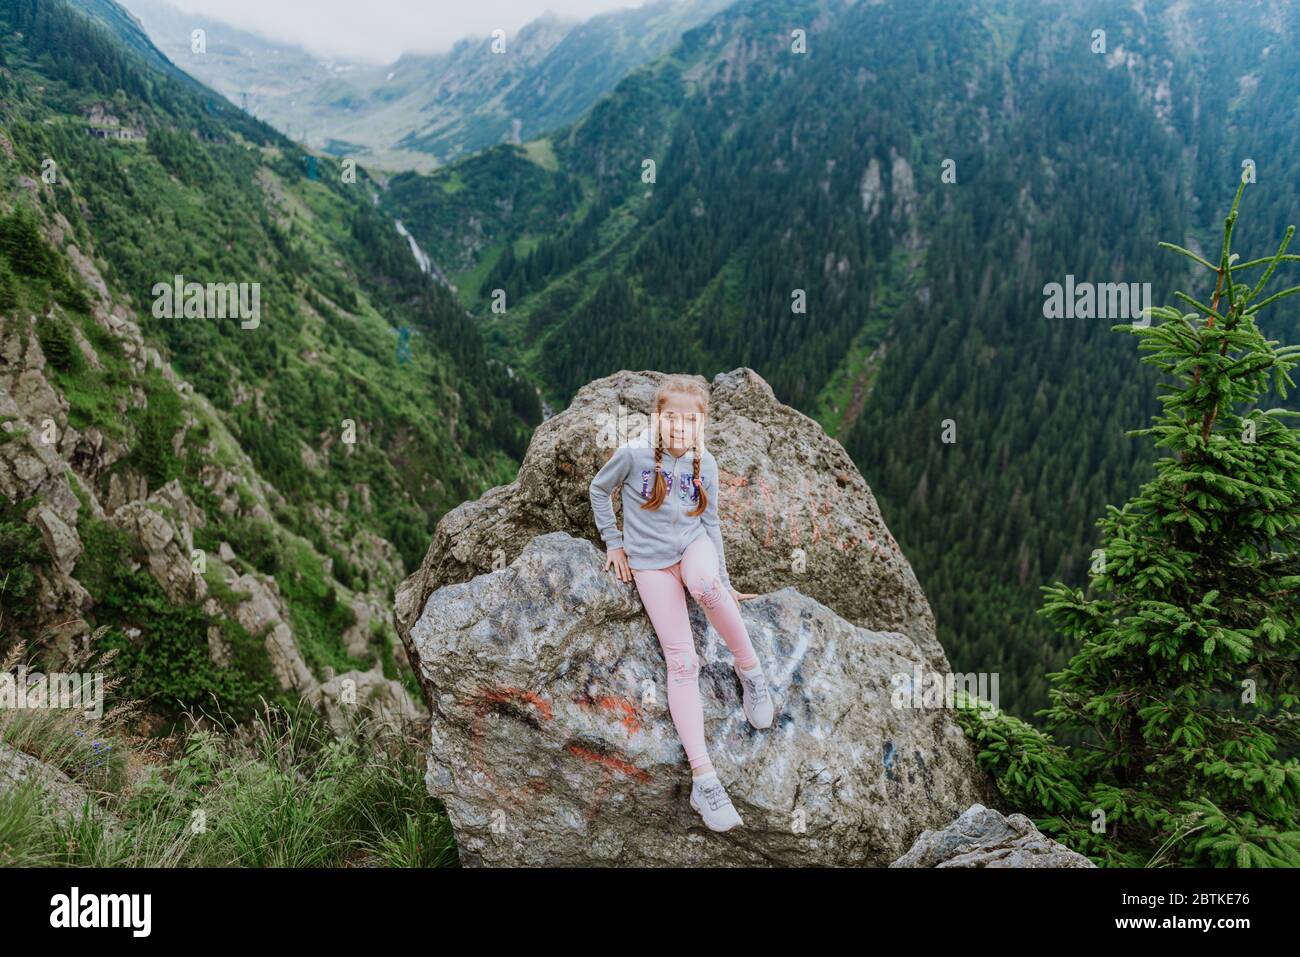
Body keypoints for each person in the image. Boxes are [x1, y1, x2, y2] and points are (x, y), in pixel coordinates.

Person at [588, 375, 775, 832]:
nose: (678, 426)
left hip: (693, 548)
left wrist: (726, 580)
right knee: (683, 660)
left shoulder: (702, 462)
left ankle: (750, 671)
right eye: (670, 417)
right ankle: (704, 778)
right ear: (658, 416)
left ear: (701, 423)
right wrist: (613, 543)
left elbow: (710, 525)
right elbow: (598, 489)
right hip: (650, 565)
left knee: (706, 586)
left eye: (689, 420)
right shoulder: (634, 454)